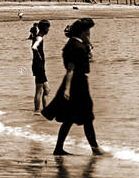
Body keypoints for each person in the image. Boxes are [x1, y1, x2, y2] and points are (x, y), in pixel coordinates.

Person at [42, 17, 101, 155]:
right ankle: (95, 149)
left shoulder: (72, 44)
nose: (89, 35)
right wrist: (67, 90)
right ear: (83, 32)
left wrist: (88, 47)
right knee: (87, 118)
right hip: (78, 85)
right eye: (88, 32)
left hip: (74, 83)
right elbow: (70, 69)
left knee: (69, 119)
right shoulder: (77, 47)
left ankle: (58, 148)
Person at [31, 20, 51, 112]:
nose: (48, 30)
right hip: (38, 66)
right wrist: (38, 54)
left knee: (46, 90)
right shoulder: (39, 38)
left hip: (38, 66)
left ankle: (44, 111)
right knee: (39, 90)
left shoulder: (37, 37)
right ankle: (37, 111)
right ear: (45, 28)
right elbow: (34, 47)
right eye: (48, 28)